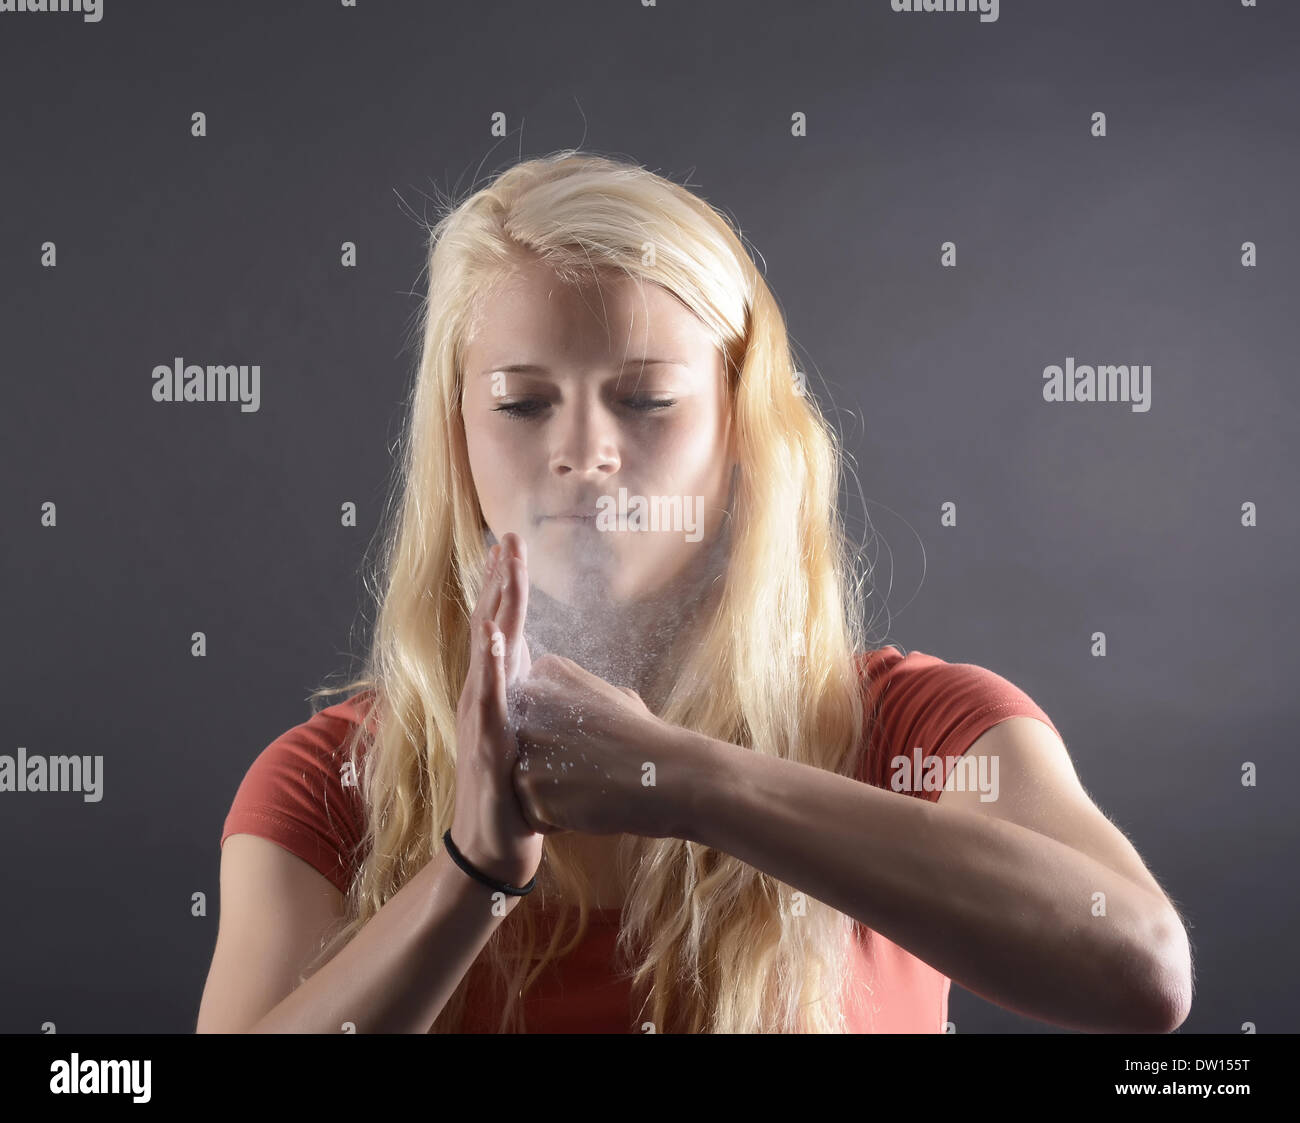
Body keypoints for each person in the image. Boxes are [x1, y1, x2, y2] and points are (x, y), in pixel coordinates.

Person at [197, 150, 1193, 1034]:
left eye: (645, 400)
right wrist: (467, 877)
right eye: (521, 403)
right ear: (456, 439)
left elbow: (1142, 973)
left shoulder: (916, 730)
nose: (584, 454)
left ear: (739, 432)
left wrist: (684, 781)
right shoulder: (329, 784)